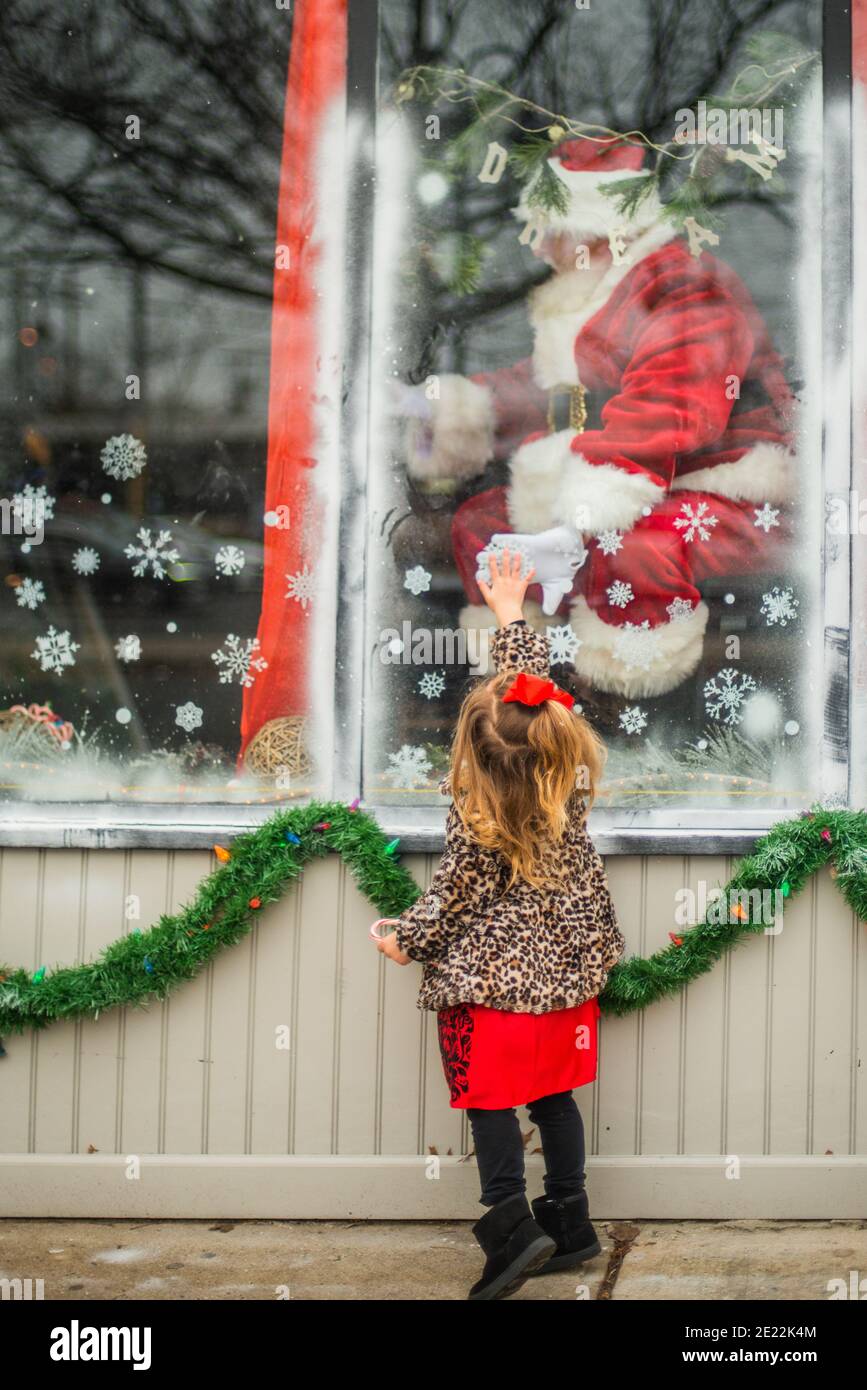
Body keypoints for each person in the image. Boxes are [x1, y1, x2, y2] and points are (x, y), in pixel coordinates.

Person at [399, 138, 795, 705]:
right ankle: (520, 689)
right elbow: (543, 389)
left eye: (549, 229)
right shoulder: (594, 296)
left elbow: (673, 405)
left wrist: (581, 510)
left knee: (630, 547)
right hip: (634, 479)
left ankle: (631, 696)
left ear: (595, 230)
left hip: (724, 483)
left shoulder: (684, 289)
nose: (539, 249)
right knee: (483, 526)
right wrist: (447, 404)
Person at [372, 548, 626, 1301]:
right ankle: (572, 1221)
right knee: (552, 1096)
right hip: (568, 973)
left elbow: (450, 894)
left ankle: (512, 1227)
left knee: (487, 1098)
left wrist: (400, 939)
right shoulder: (563, 782)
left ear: (471, 758)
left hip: (493, 984)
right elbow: (522, 704)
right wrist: (512, 614)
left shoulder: (478, 816)